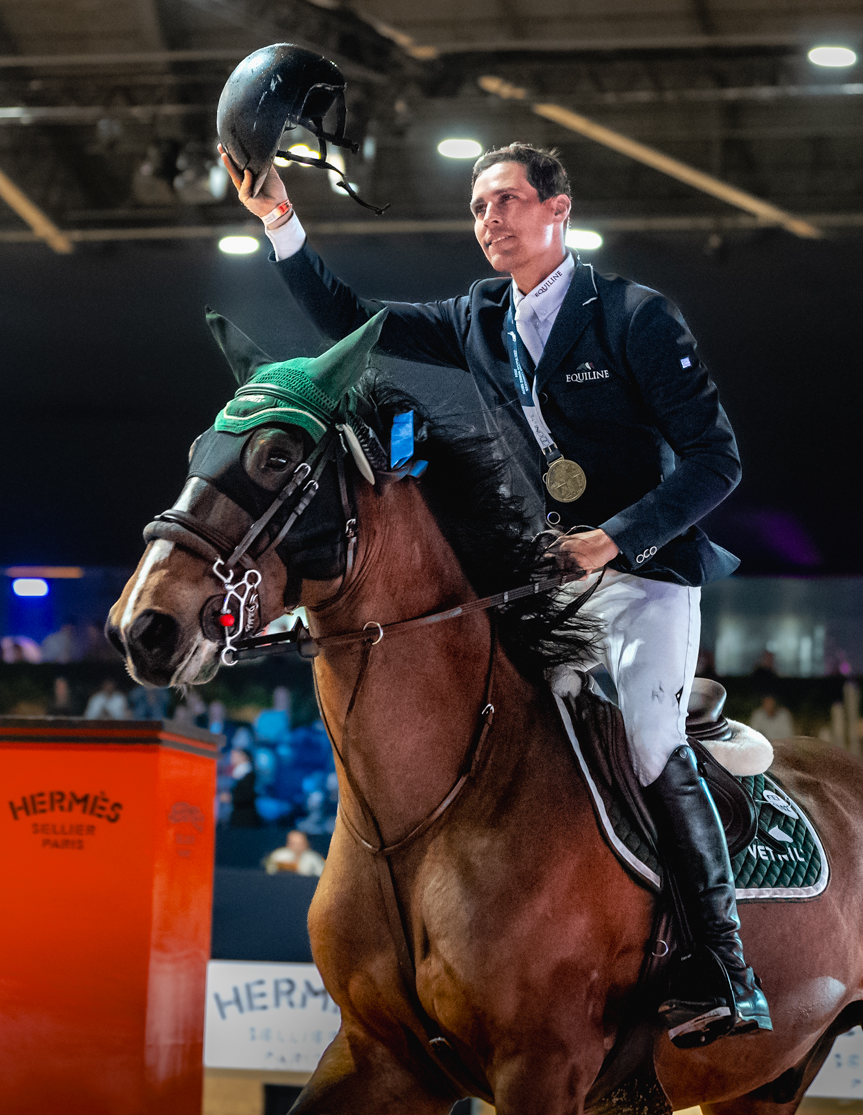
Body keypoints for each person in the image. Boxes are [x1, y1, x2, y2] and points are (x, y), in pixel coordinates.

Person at [226, 137, 766, 1045]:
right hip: (547, 583)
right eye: (478, 207)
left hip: (645, 579)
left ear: (558, 208)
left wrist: (616, 536)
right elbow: (351, 317)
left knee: (642, 737)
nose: (490, 220)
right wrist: (281, 218)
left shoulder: (635, 316)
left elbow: (720, 462)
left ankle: (725, 961)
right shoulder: (479, 318)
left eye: (507, 201)